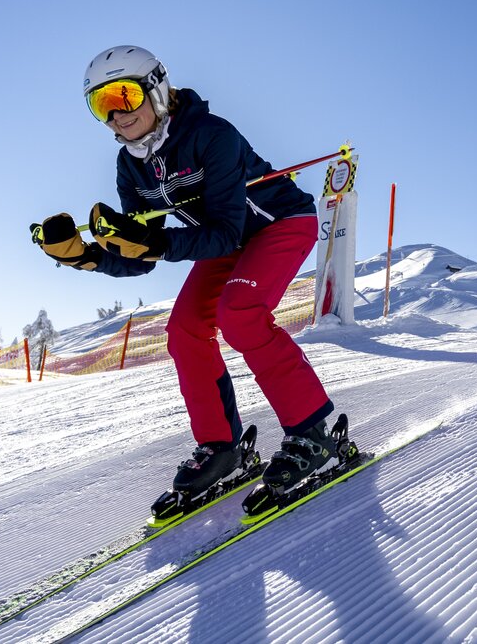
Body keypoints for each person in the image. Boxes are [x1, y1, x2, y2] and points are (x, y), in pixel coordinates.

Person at [33, 45, 339, 499]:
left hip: (279, 223)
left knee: (240, 312)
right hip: (225, 241)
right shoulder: (129, 165)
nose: (117, 115)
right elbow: (141, 253)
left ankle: (312, 434)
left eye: (123, 96)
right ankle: (222, 446)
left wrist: (155, 243)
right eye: (102, 105)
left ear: (155, 89)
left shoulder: (213, 135)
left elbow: (215, 233)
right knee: (184, 331)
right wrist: (86, 256)